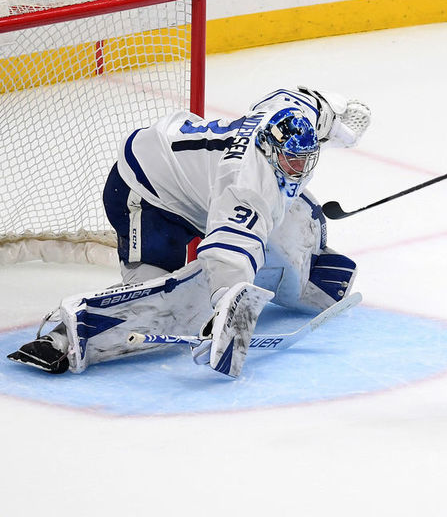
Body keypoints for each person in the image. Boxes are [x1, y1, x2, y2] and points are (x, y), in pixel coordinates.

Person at [7, 86, 370, 378]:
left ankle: (305, 279)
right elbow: (227, 255)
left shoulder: (286, 118)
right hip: (144, 191)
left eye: (306, 157)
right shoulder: (247, 186)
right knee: (160, 295)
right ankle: (67, 336)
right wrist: (227, 312)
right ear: (268, 148)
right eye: (291, 159)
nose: (299, 166)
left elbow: (309, 100)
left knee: (292, 217)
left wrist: (338, 126)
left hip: (189, 177)